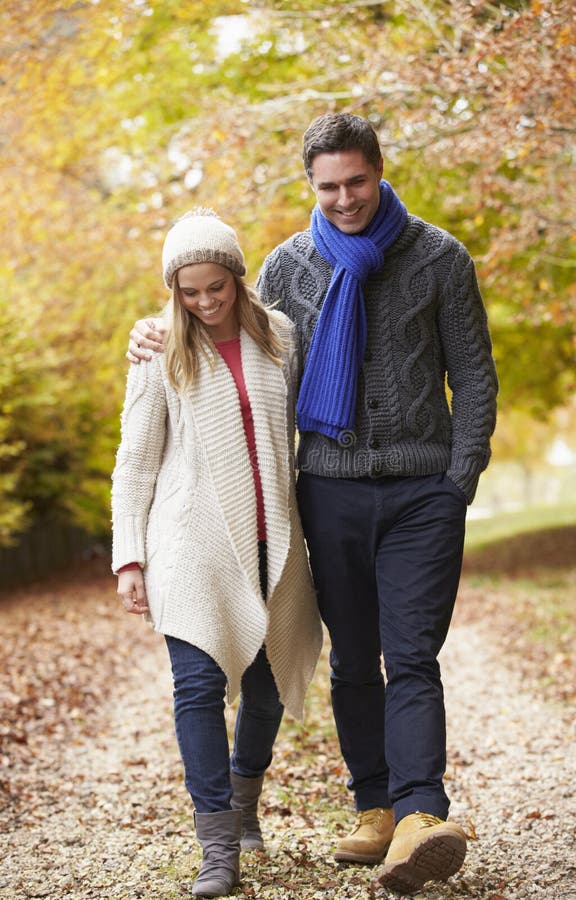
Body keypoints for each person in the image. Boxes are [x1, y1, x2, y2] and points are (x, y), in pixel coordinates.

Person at [126, 114, 498, 896]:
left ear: (380, 171)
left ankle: (420, 813)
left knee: (413, 653)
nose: (345, 198)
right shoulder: (287, 268)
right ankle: (374, 808)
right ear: (311, 185)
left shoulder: (440, 257)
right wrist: (150, 334)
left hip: (422, 491)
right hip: (327, 490)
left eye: (356, 181)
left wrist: (458, 480)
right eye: (329, 186)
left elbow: (473, 375)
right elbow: (226, 336)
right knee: (354, 660)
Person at [112, 208, 322, 899]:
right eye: (189, 292)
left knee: (267, 689)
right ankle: (217, 847)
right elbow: (135, 463)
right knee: (197, 690)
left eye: (216, 288)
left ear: (237, 276)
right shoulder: (158, 351)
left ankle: (243, 800)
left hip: (274, 543)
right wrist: (129, 558)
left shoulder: (280, 336)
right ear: (173, 291)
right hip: (190, 548)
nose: (204, 303)